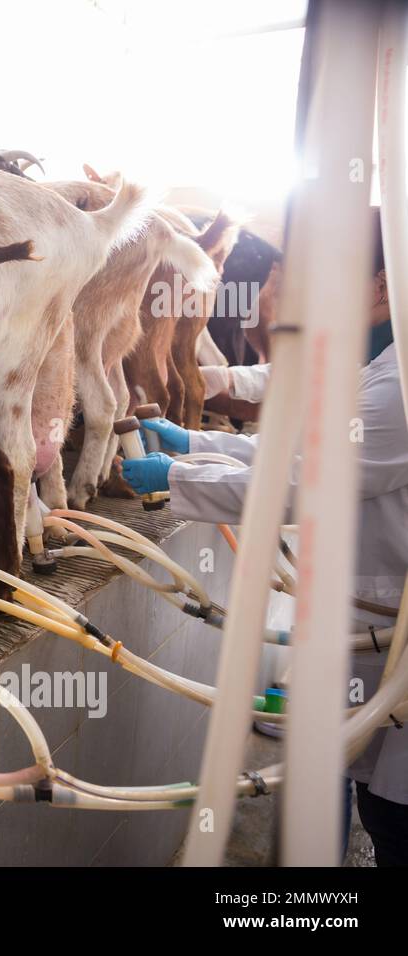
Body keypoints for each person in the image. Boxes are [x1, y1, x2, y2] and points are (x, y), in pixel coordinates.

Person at [121, 233, 407, 866]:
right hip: (366, 622)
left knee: (390, 813)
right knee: (351, 778)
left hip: (384, 626)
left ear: (383, 287)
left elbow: (308, 483)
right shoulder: (381, 363)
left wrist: (175, 477)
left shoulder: (396, 389)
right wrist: (195, 446)